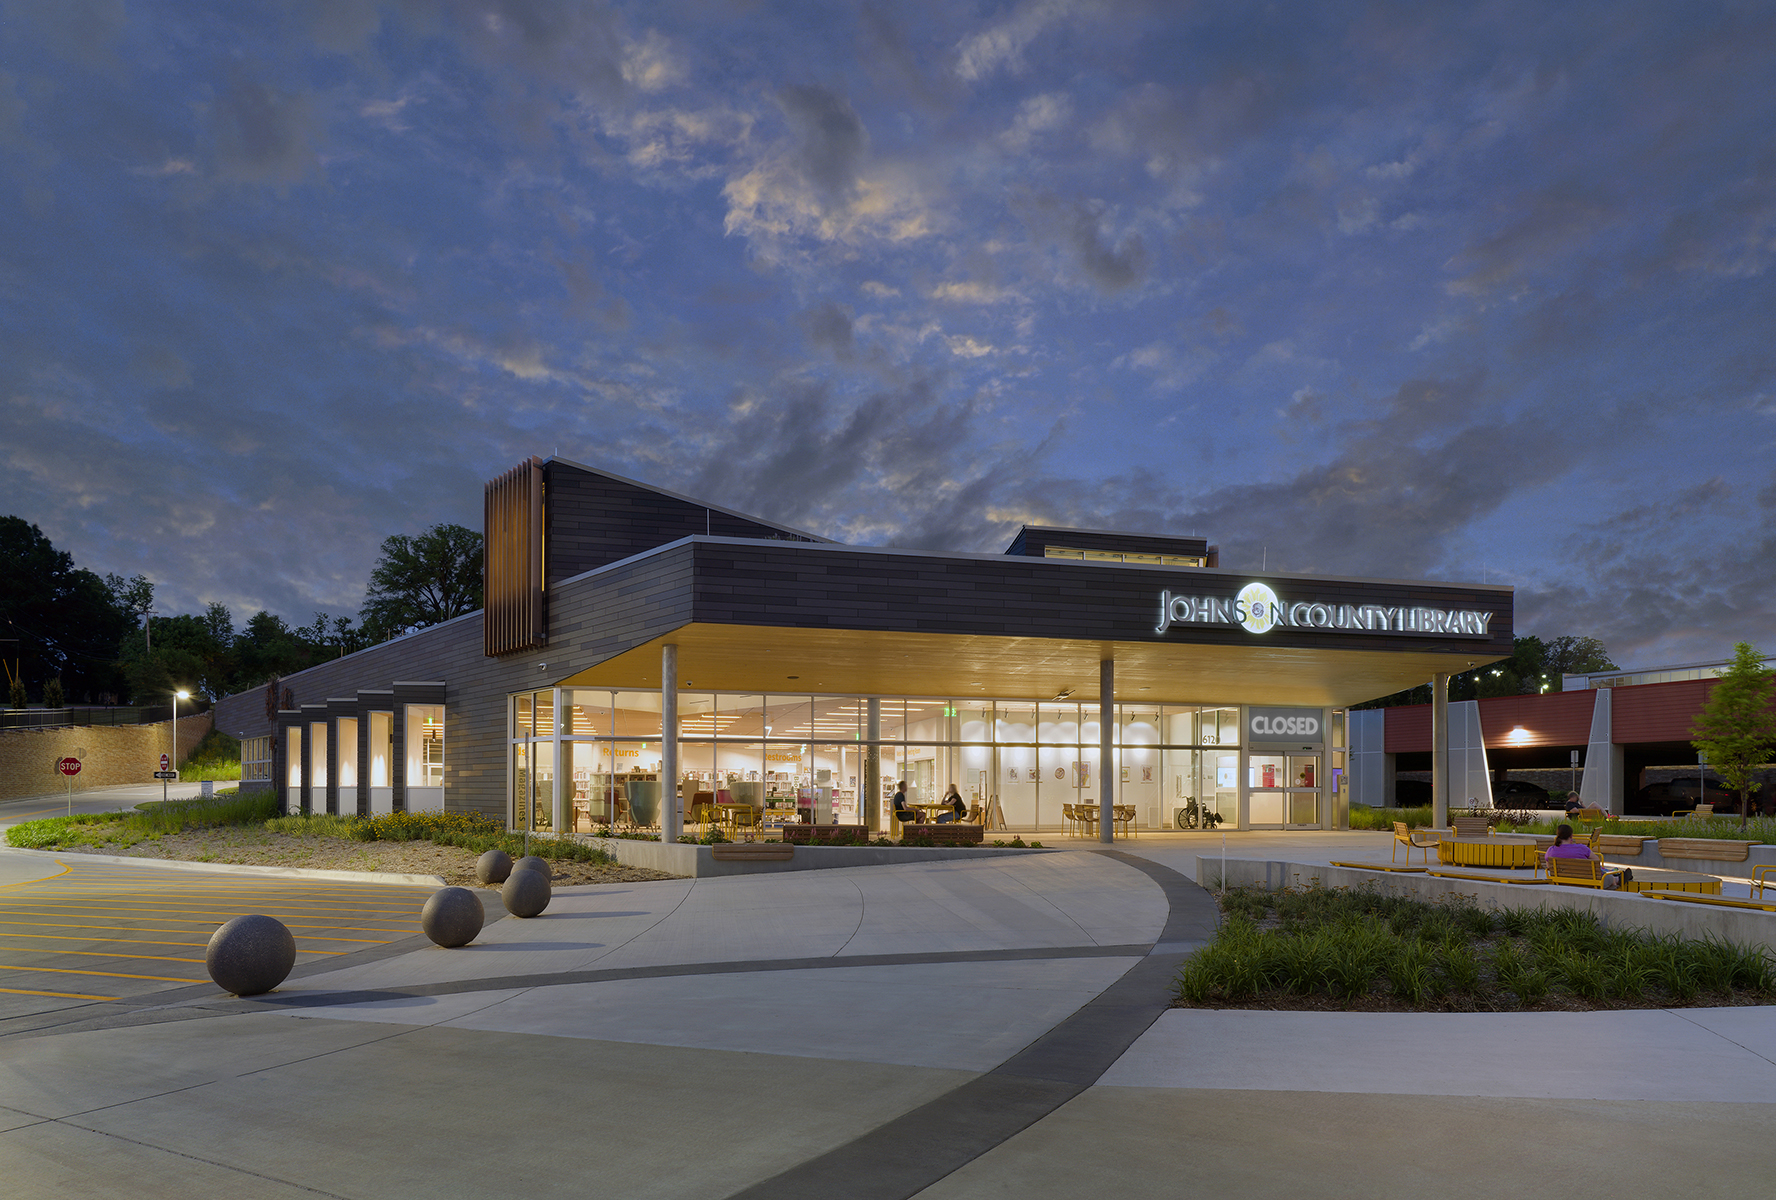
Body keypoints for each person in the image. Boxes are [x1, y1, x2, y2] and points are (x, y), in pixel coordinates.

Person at [1546, 823, 1632, 889]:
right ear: (1571, 836)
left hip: (1561, 882)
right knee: (1608, 878)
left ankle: (1616, 877)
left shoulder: (1551, 850)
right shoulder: (1581, 848)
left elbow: (1549, 867)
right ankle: (1617, 880)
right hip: (1588, 883)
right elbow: (1596, 862)